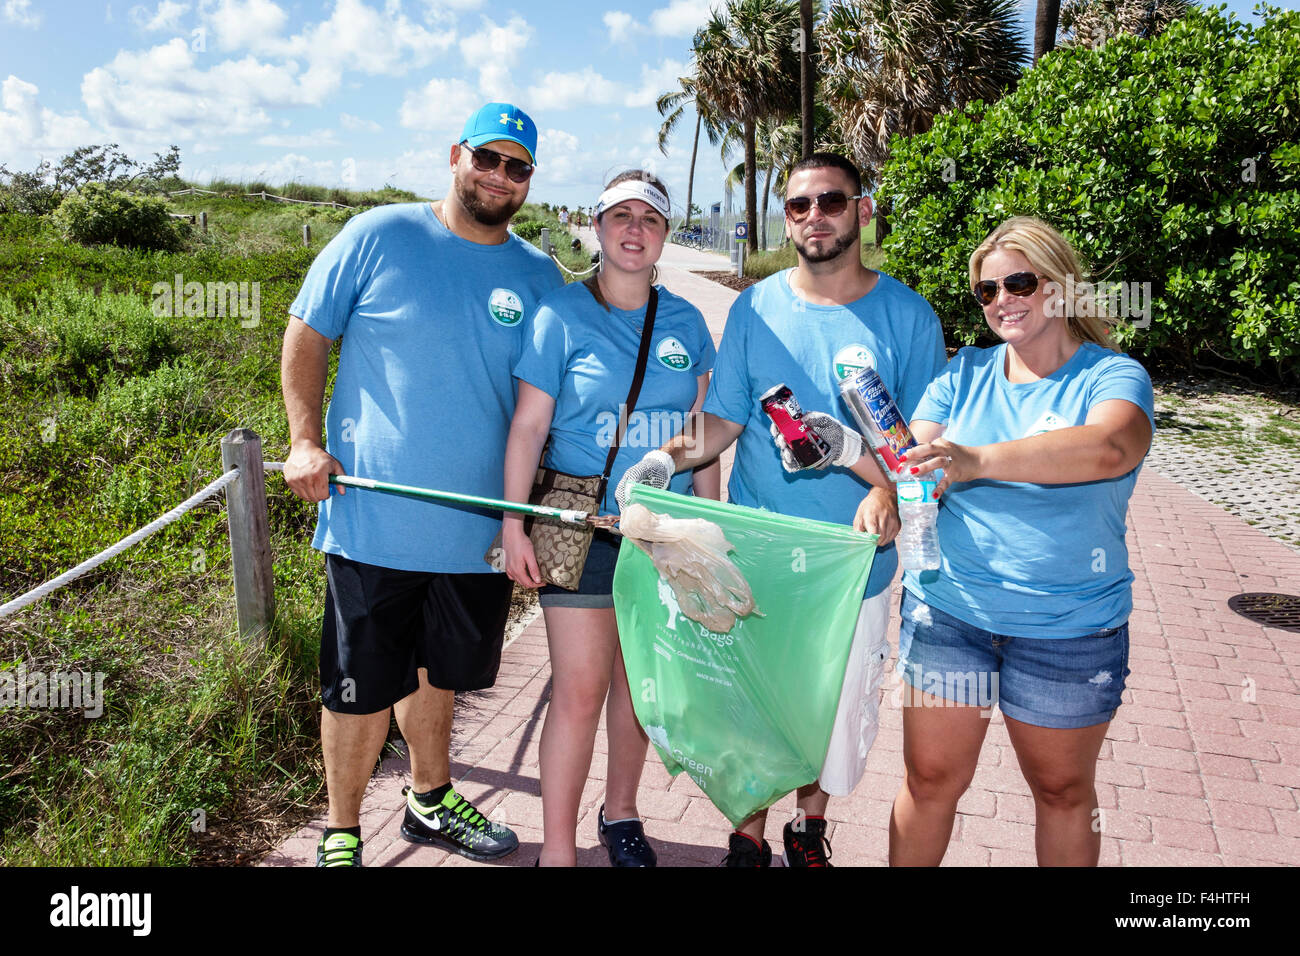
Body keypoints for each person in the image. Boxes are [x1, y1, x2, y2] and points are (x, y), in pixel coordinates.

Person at [617, 153, 947, 866]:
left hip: (854, 564)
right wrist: (666, 459)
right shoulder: (755, 308)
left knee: (826, 707)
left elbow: (924, 445)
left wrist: (887, 490)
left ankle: (809, 826)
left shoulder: (909, 317)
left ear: (862, 210)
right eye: (798, 206)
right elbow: (725, 421)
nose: (814, 217)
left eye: (830, 201)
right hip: (760, 553)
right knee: (752, 702)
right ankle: (747, 834)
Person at [281, 102, 563, 867]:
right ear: (455, 155)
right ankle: (341, 831)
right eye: (488, 158)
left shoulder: (540, 275)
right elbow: (307, 332)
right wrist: (305, 442)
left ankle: (429, 802)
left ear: (530, 180)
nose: (500, 176)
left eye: (518, 167)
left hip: (480, 529)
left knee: (438, 672)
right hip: (373, 518)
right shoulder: (380, 235)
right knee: (358, 686)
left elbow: (558, 394)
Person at [882, 216, 1154, 866]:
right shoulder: (963, 374)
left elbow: (1112, 445)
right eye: (987, 290)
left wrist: (976, 460)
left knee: (1062, 791)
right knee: (929, 782)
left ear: (1059, 284)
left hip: (1068, 627)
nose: (1003, 298)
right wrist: (869, 458)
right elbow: (912, 455)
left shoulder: (1111, 376)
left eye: (1021, 281)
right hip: (949, 613)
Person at [502, 171, 719, 867]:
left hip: (663, 530)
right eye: (620, 216)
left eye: (650, 219)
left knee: (640, 685)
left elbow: (705, 432)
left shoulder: (686, 321)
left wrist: (712, 526)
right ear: (596, 227)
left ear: (665, 234)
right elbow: (529, 428)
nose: (634, 229)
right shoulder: (558, 315)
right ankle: (558, 849)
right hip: (579, 519)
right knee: (580, 687)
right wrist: (512, 526)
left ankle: (621, 813)